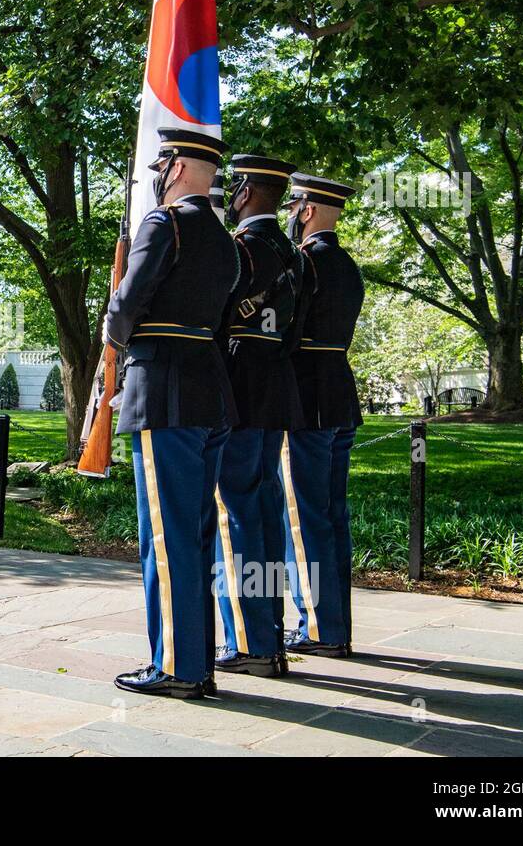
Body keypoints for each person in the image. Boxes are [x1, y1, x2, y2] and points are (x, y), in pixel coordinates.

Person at [105, 128, 239, 700]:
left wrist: (118, 343)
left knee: (166, 537)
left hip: (162, 387)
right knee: (196, 533)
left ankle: (180, 668)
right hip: (210, 389)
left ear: (180, 166)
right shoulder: (227, 241)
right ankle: (196, 661)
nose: (158, 175)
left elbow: (127, 304)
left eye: (163, 165)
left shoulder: (165, 224)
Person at [212, 154, 304, 678]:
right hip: (276, 386)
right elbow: (293, 331)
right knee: (265, 511)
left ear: (245, 192)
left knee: (237, 512)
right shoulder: (294, 255)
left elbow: (216, 317)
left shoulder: (239, 250)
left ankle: (250, 642)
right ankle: (268, 632)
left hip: (239, 387)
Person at [280, 174, 365, 658]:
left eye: (293, 207)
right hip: (339, 395)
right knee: (333, 516)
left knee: (305, 518)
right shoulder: (348, 266)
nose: (290, 214)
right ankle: (335, 623)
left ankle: (318, 627)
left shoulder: (302, 264)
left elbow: (288, 333)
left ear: (306, 210)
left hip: (306, 401)